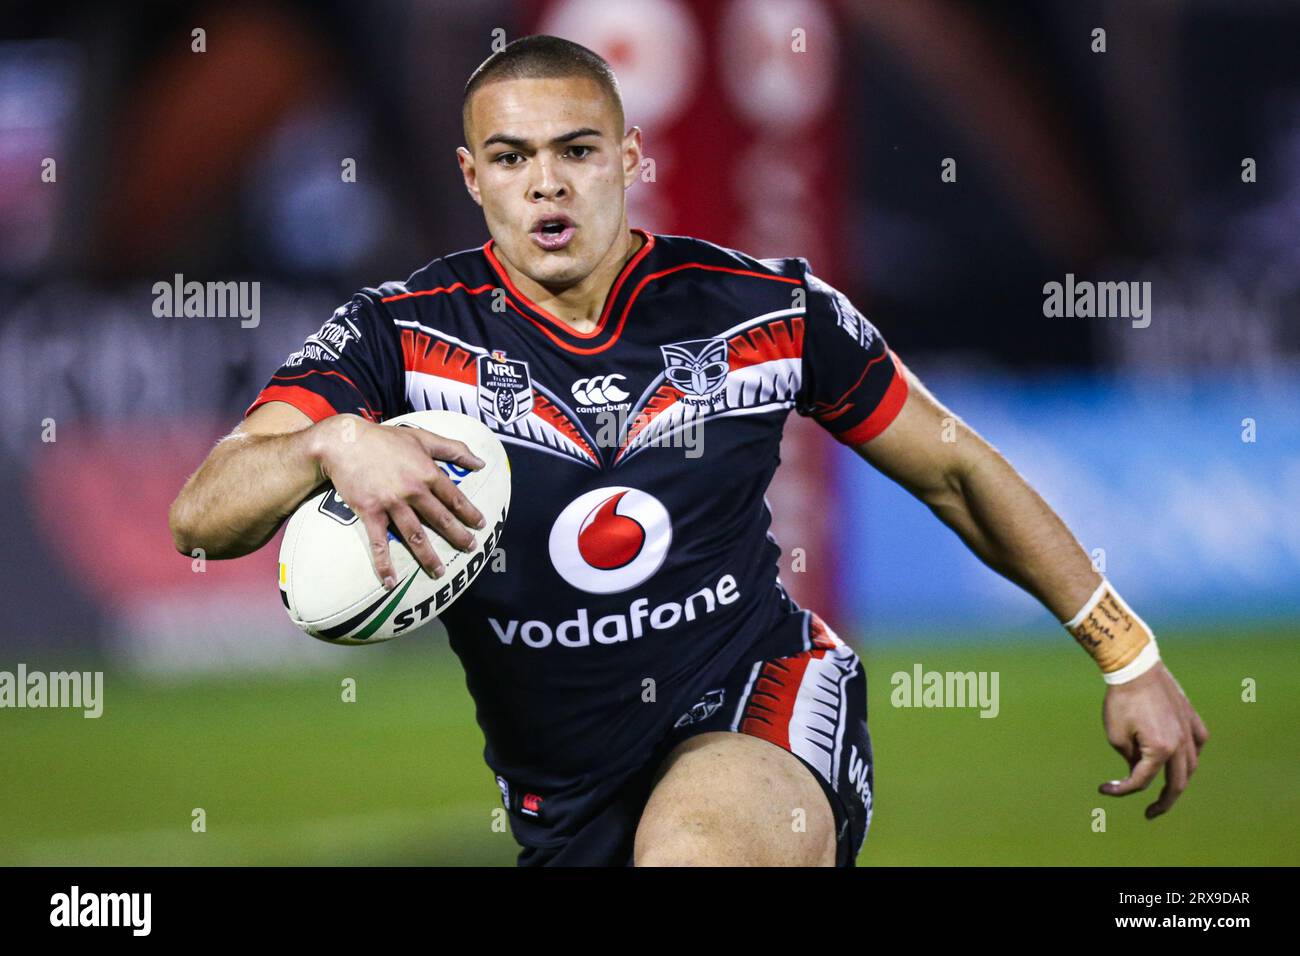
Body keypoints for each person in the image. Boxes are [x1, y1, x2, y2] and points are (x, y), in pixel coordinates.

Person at [169, 35, 1208, 866]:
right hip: (562, 793)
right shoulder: (398, 335)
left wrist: (1128, 654)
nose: (547, 187)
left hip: (763, 701)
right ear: (470, 177)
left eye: (576, 150)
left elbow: (955, 468)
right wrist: (333, 441)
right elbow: (202, 514)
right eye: (511, 158)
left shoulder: (768, 309)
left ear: (627, 159)